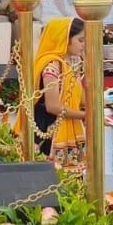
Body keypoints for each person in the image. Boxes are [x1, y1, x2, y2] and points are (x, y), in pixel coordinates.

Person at [31, 17, 86, 162]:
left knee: (72, 180)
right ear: (65, 39)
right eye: (80, 40)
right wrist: (87, 116)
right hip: (47, 128)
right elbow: (53, 106)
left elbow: (82, 99)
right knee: (51, 179)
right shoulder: (52, 65)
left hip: (69, 122)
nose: (84, 45)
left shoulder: (74, 62)